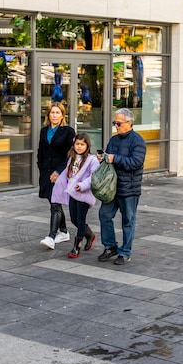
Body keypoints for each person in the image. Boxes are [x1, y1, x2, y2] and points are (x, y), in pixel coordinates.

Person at [97, 108, 146, 266]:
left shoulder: (138, 141)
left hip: (129, 189)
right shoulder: (113, 139)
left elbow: (135, 163)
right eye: (114, 123)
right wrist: (103, 158)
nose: (116, 126)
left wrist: (114, 158)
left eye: (118, 123)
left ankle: (125, 252)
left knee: (128, 221)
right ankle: (110, 246)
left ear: (129, 123)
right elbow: (110, 158)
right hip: (111, 188)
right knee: (104, 215)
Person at [50, 133, 98, 258]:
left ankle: (76, 247)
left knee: (80, 220)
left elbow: (93, 177)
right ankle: (90, 235)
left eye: (82, 144)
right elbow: (68, 174)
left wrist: (82, 186)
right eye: (77, 144)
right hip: (73, 192)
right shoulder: (72, 158)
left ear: (87, 145)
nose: (79, 147)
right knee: (74, 219)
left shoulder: (92, 160)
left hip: (84, 194)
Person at [37, 103, 75, 249]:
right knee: (53, 202)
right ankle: (64, 231)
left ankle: (52, 237)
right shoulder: (43, 131)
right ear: (48, 115)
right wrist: (41, 167)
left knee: (55, 203)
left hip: (60, 172)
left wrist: (59, 171)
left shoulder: (68, 131)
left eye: (57, 112)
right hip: (46, 172)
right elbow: (41, 151)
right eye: (52, 112)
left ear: (62, 115)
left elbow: (71, 154)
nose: (54, 115)